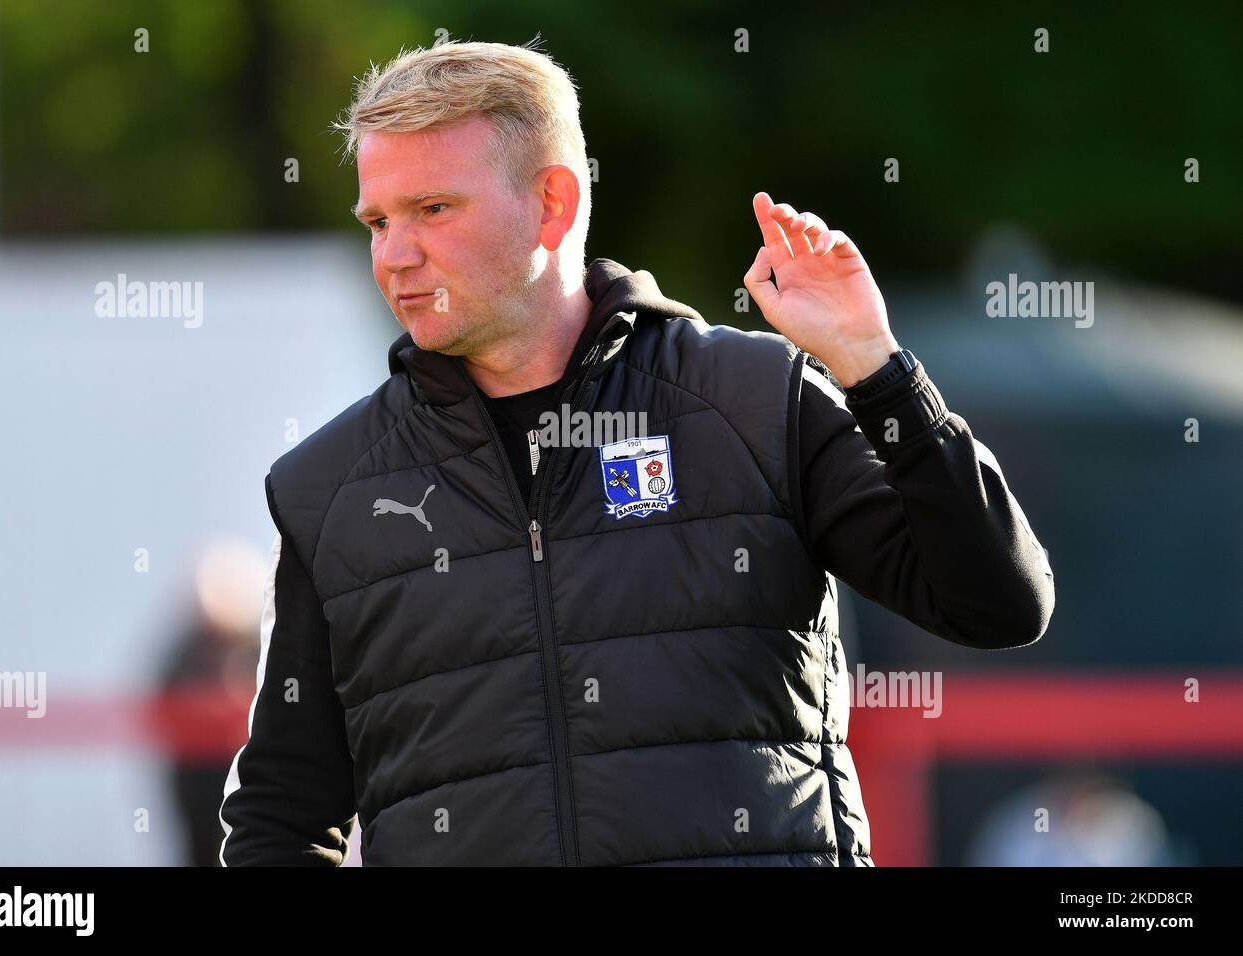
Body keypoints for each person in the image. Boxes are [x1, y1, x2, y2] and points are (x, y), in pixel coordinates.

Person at [218, 38, 1054, 867]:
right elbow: (281, 820)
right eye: (377, 221)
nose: (394, 254)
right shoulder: (329, 488)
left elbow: (998, 604)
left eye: (433, 209)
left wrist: (877, 371)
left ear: (552, 202)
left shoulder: (755, 400)